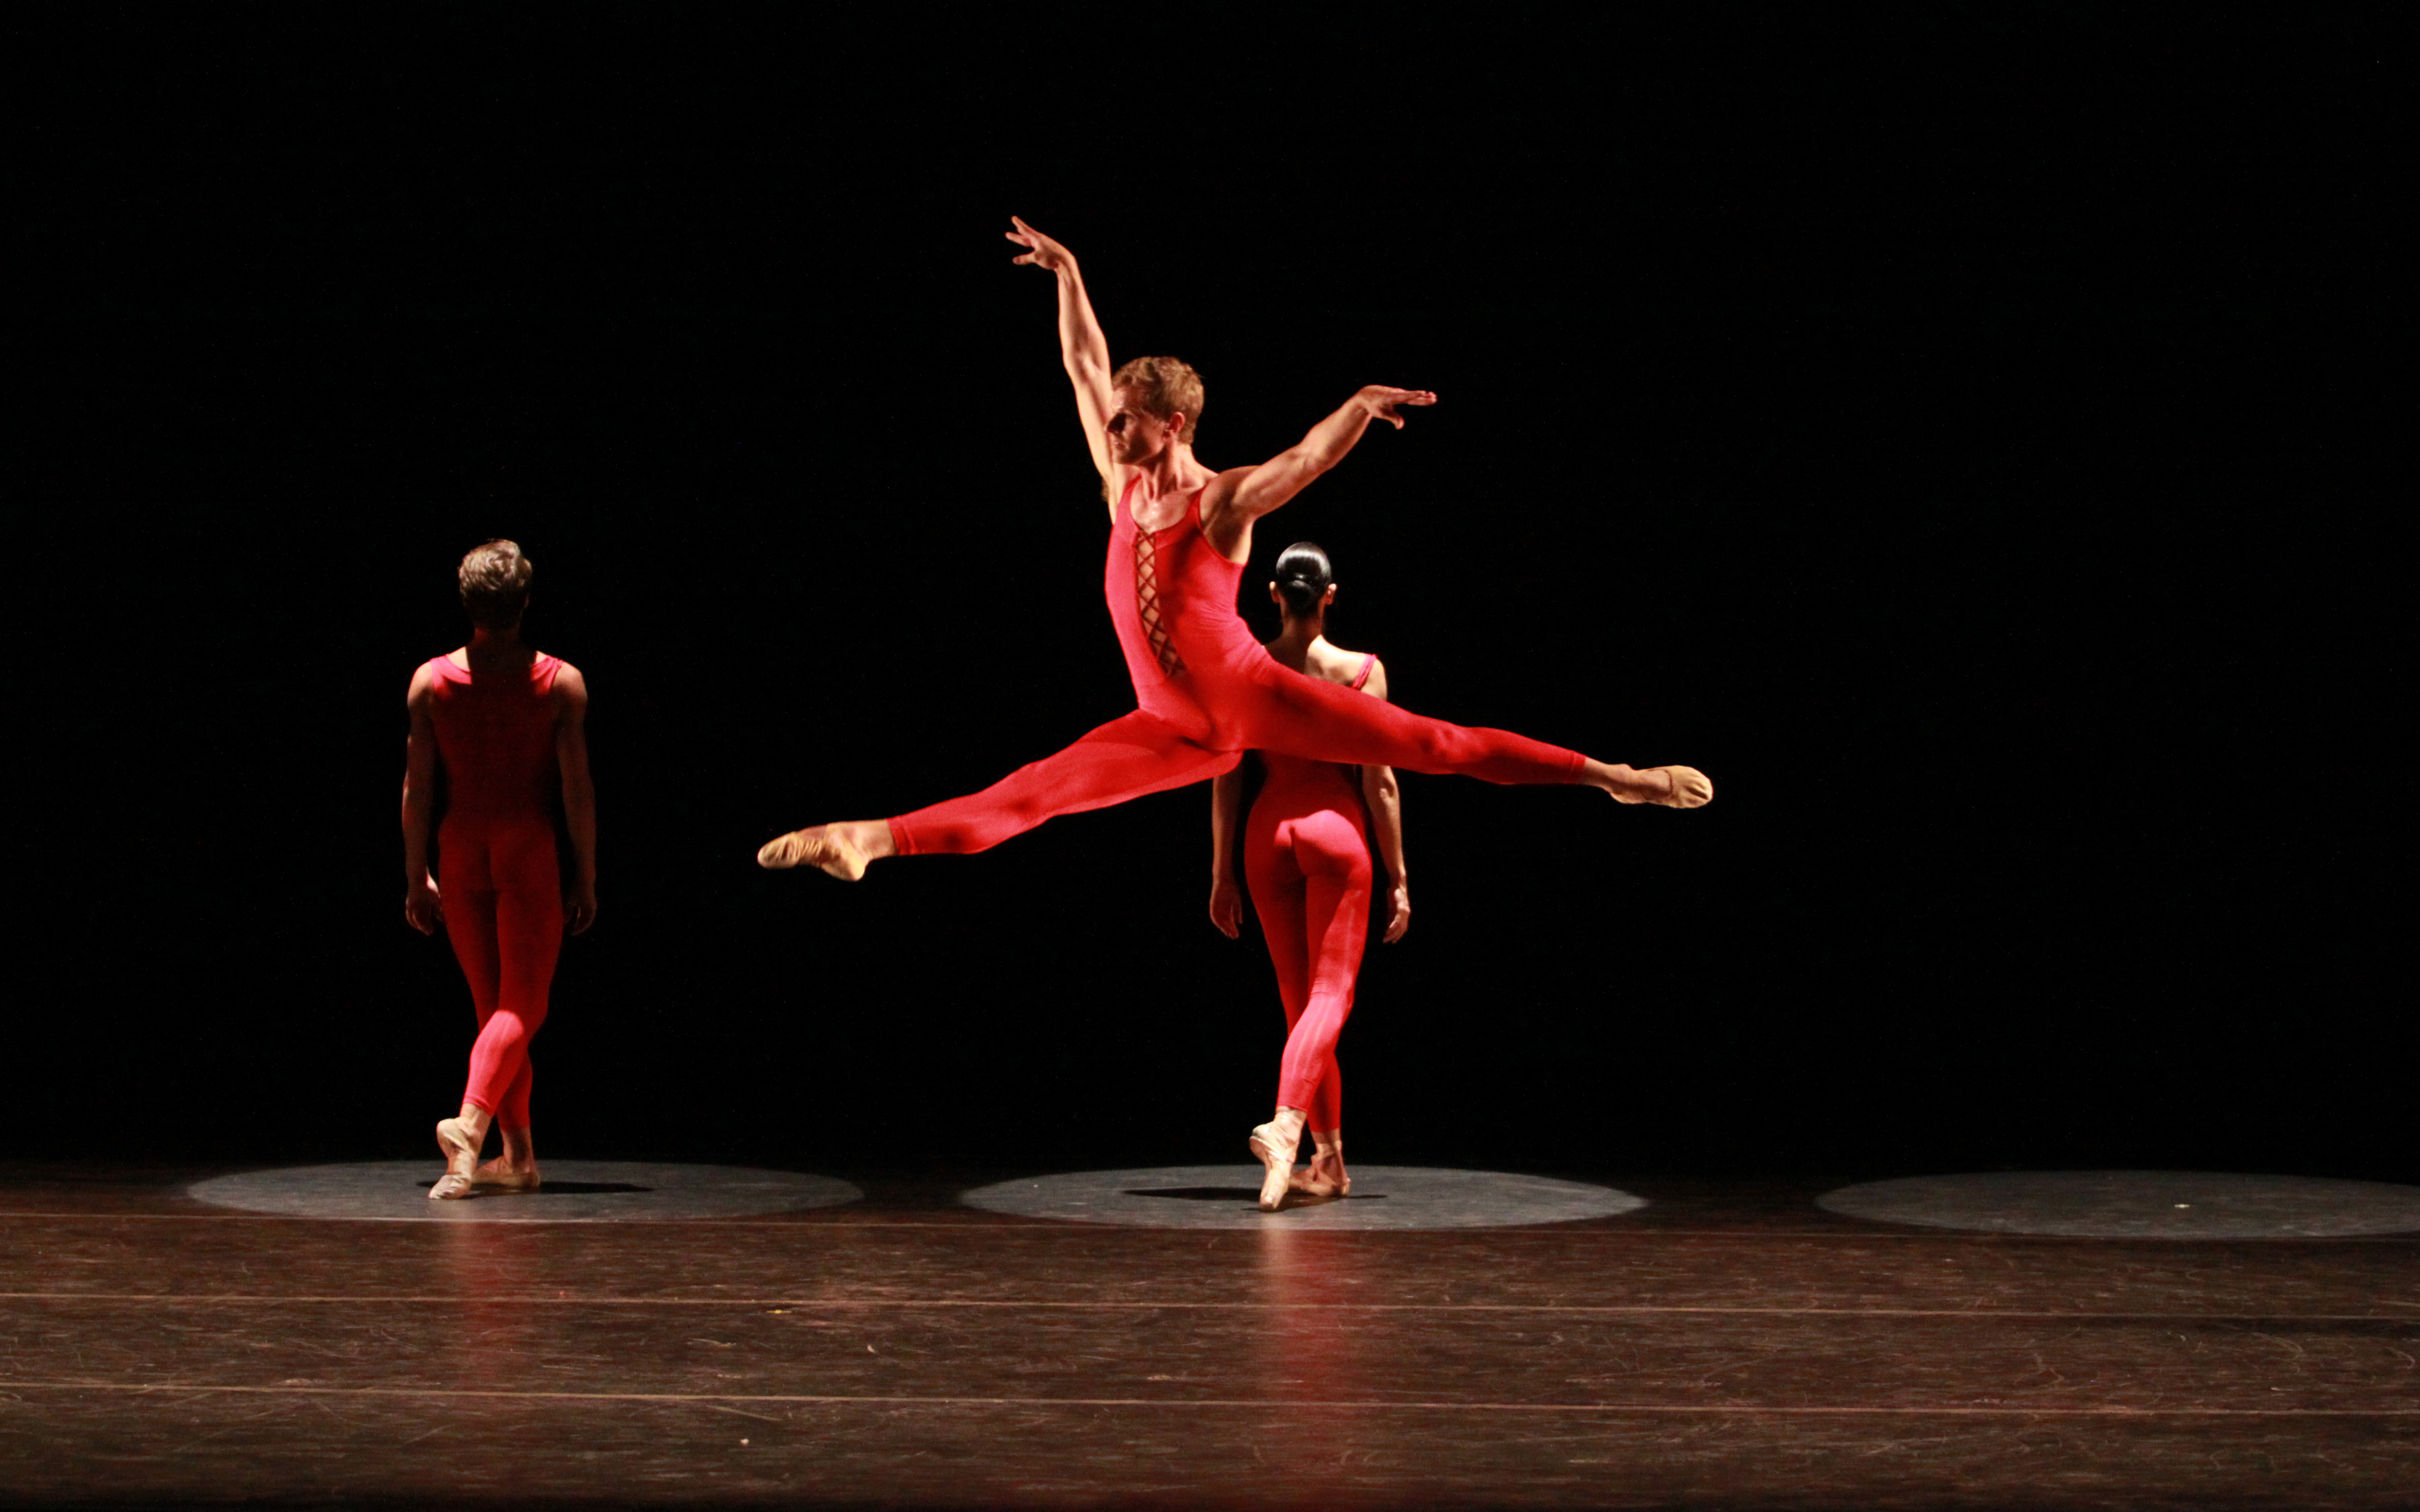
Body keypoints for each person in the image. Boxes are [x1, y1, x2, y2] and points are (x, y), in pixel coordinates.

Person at [759, 218, 1709, 1181]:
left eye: (1131, 419)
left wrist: (1355, 408)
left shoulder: (1219, 501)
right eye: (1116, 418)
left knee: (1440, 743)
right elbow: (1085, 368)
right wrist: (1072, 274)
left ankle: (1616, 777)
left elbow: (1302, 462)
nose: (1113, 428)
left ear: (1173, 425)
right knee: (1032, 792)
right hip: (1173, 731)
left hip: (1254, 703)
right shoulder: (1118, 481)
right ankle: (870, 837)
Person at [1209, 542, 1406, 1210]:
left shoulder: (1245, 669)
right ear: (1330, 594)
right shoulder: (1363, 672)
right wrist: (1400, 878)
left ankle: (1328, 1163)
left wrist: (1221, 871)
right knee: (1331, 997)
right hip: (1337, 833)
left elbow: (1226, 777)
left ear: (1272, 594)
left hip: (1268, 835)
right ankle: (1286, 1123)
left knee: (1302, 1010)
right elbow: (1381, 783)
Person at [401, 540, 597, 1200]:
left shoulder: (430, 682)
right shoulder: (559, 681)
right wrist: (587, 875)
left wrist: (414, 874)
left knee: (494, 1013)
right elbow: (576, 790)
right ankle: (471, 1126)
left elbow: (417, 789)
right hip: (524, 847)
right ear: (527, 601)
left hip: (460, 849)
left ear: (467, 603)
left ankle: (516, 1159)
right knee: (523, 1005)